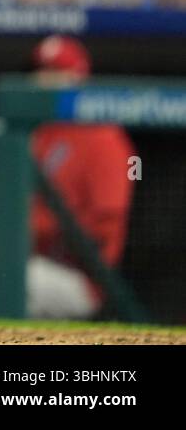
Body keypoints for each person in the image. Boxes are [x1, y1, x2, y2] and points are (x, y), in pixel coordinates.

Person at [28, 36, 136, 319]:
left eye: (56, 73)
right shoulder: (41, 133)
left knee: (20, 279)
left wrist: (42, 229)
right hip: (39, 262)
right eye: (42, 70)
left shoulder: (103, 137)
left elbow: (106, 223)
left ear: (78, 77)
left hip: (83, 278)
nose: (44, 79)